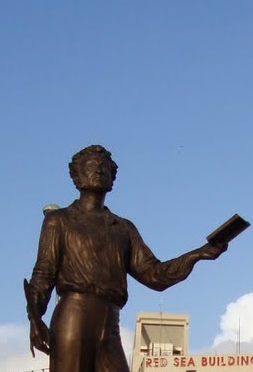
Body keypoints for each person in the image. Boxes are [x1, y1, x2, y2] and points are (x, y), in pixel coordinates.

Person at [25, 144, 227, 372]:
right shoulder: (59, 220)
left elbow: (154, 274)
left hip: (111, 320)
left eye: (104, 167)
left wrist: (196, 254)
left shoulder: (123, 228)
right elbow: (44, 273)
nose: (98, 170)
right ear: (76, 176)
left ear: (113, 178)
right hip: (75, 315)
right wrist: (35, 318)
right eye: (91, 166)